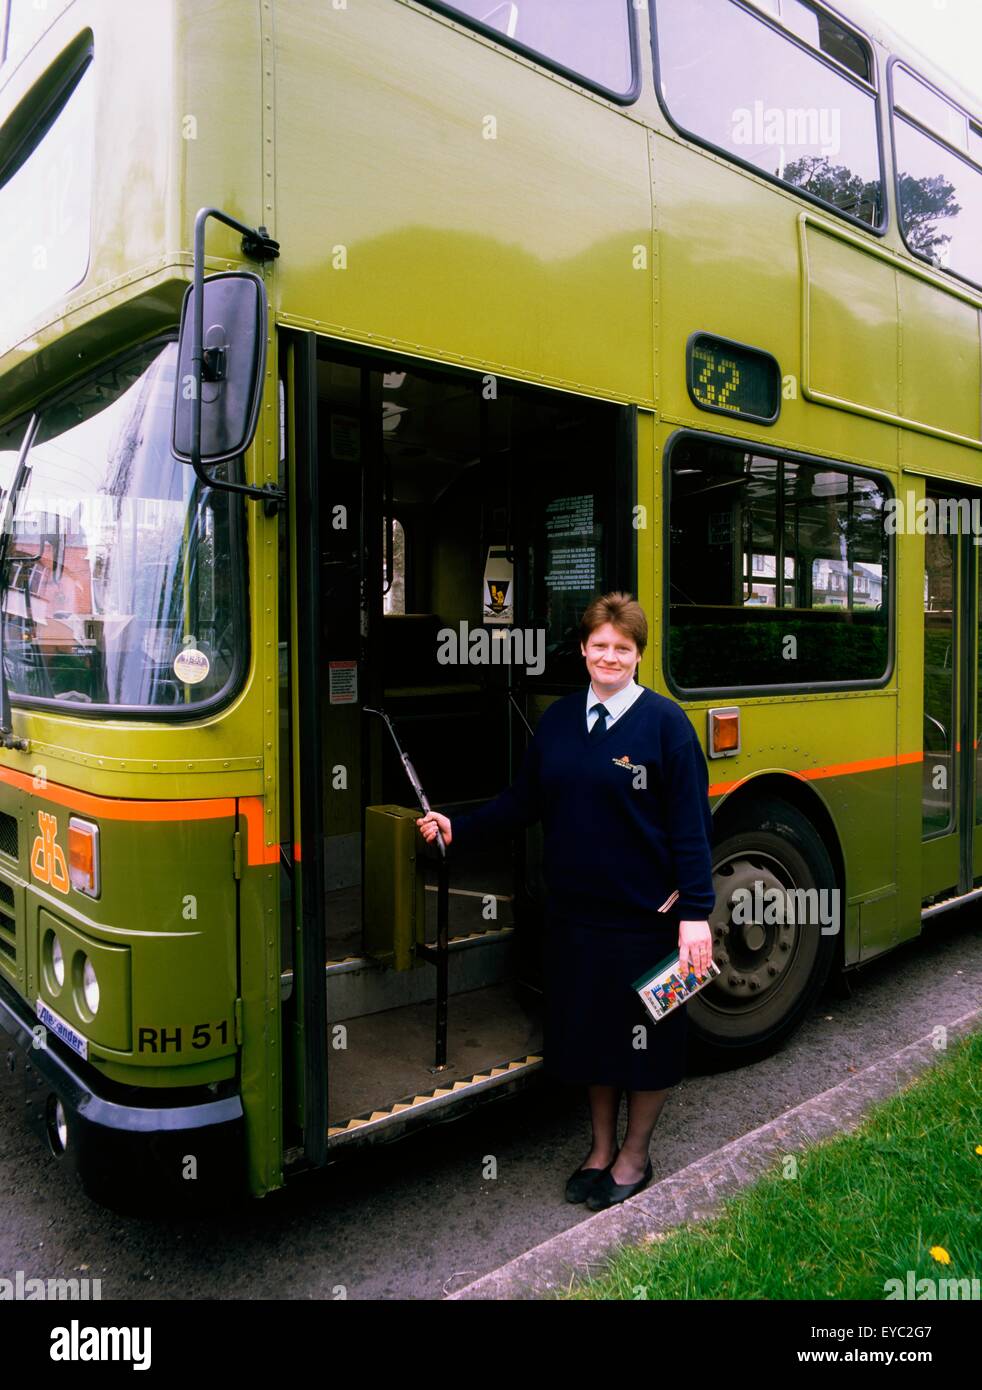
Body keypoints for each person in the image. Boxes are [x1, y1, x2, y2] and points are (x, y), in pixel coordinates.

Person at [416, 592, 716, 1210]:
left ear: (638, 656)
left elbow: (691, 828)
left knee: (648, 1044)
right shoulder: (556, 722)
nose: (610, 657)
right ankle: (600, 1149)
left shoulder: (667, 727)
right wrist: (460, 827)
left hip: (650, 922)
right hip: (578, 919)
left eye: (623, 649)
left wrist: (695, 916)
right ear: (583, 650)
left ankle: (635, 1154)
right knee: (593, 1039)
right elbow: (523, 802)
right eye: (600, 646)